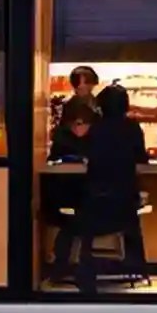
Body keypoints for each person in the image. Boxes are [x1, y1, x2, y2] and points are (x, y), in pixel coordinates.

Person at [76, 84, 149, 295]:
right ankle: (136, 266)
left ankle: (84, 268)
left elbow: (86, 157)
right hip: (125, 203)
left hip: (95, 203)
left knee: (82, 220)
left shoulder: (96, 130)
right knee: (132, 222)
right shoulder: (132, 129)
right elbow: (142, 160)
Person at [45, 96, 98, 283]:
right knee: (75, 219)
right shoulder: (62, 138)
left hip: (82, 196)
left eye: (83, 123)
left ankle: (62, 265)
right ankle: (73, 264)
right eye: (76, 123)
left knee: (74, 221)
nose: (79, 128)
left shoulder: (92, 138)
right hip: (72, 195)